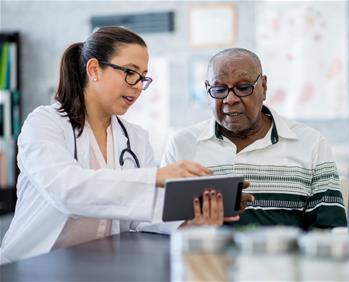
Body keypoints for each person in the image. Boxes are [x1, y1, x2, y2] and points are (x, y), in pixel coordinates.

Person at [0, 27, 231, 264]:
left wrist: (191, 220)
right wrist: (154, 177)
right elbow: (66, 191)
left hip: (99, 265)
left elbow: (141, 214)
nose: (138, 86)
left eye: (143, 77)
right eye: (130, 72)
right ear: (94, 69)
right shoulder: (45, 123)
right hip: (33, 265)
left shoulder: (135, 137)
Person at [162, 48, 347, 230]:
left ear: (264, 87)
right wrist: (195, 224)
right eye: (219, 89)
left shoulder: (311, 143)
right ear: (207, 90)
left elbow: (330, 230)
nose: (230, 99)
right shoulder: (181, 145)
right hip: (205, 258)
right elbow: (160, 228)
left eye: (243, 88)